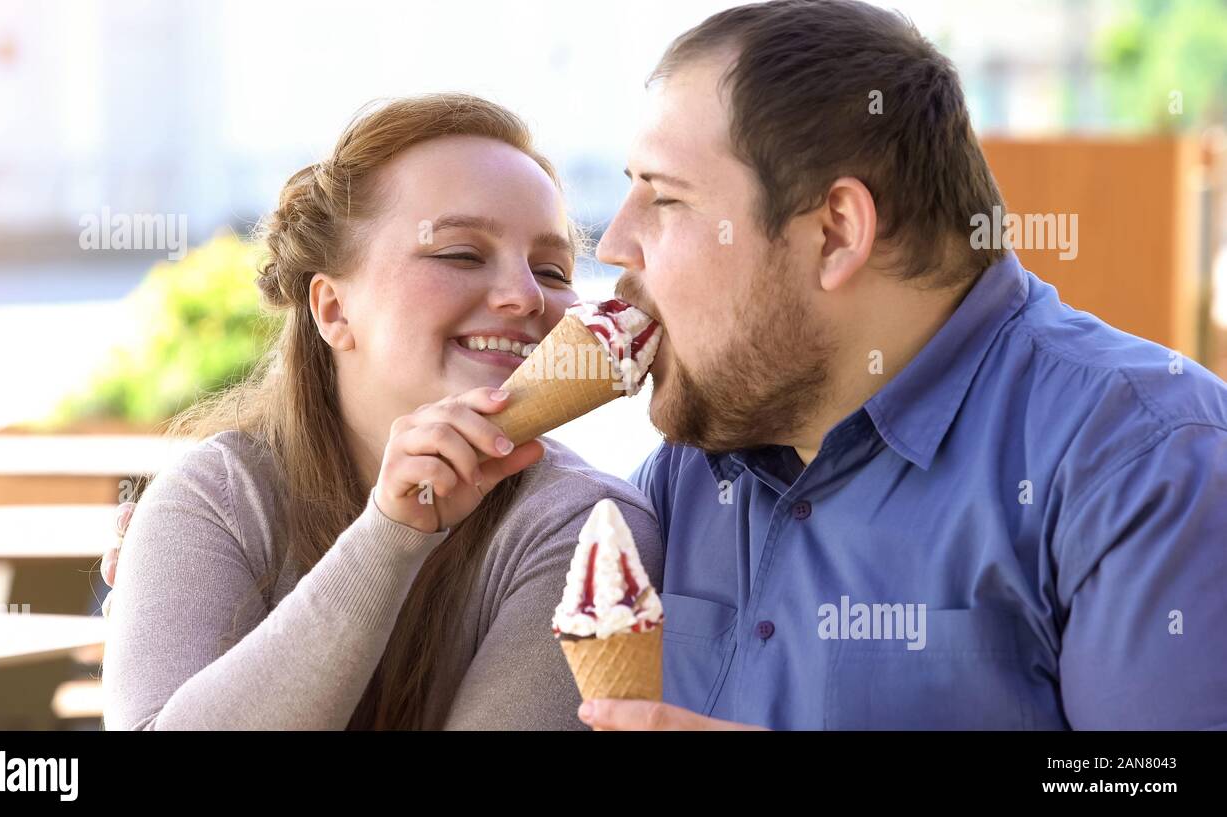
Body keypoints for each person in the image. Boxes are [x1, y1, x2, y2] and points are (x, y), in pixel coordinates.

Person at [580, 0, 1227, 730]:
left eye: (665, 198)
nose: (613, 244)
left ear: (836, 233)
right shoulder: (688, 473)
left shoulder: (1147, 458)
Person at [101, 93, 663, 730]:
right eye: (460, 254)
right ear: (334, 310)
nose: (524, 296)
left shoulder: (587, 527)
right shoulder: (218, 496)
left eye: (553, 269)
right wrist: (388, 538)